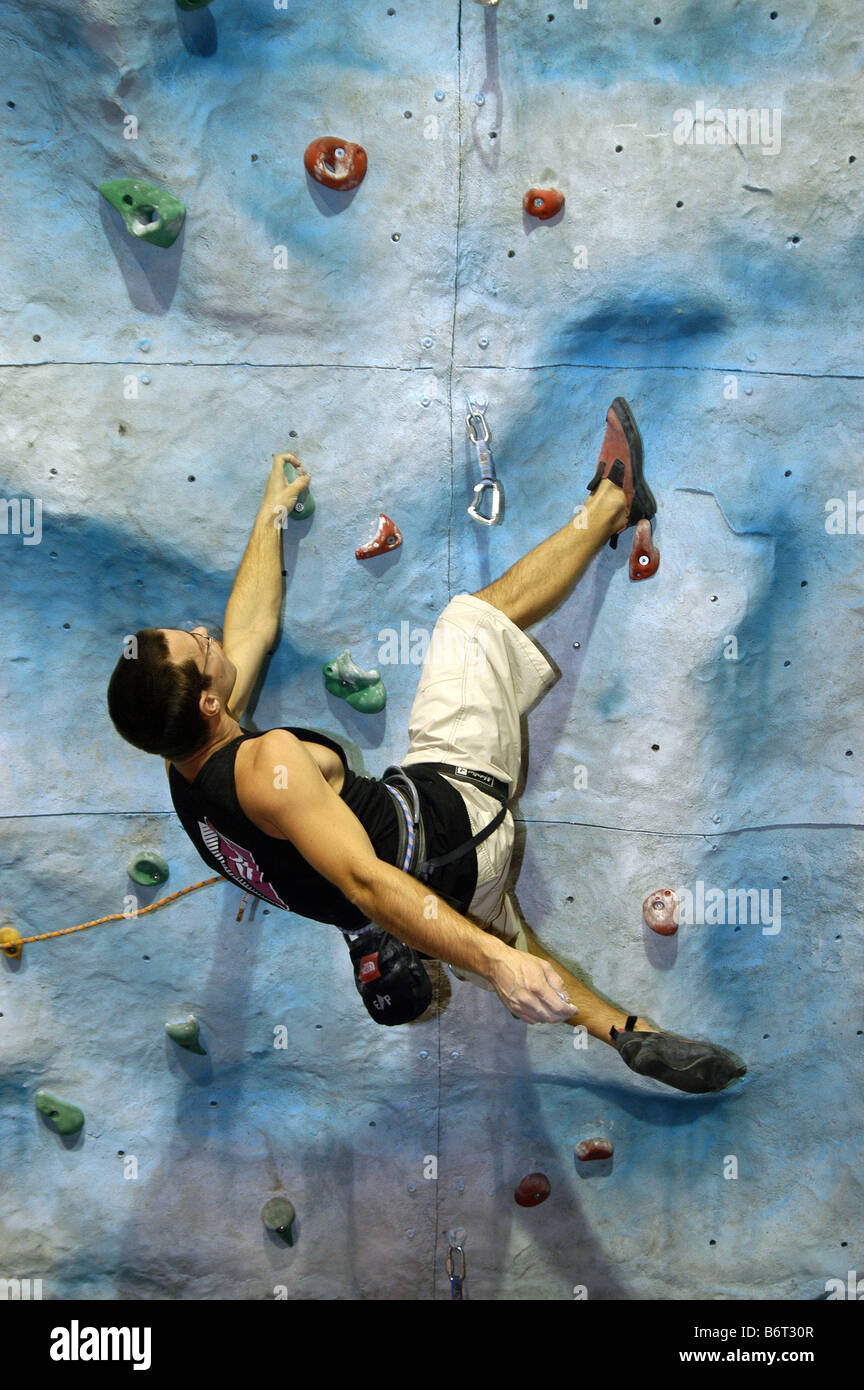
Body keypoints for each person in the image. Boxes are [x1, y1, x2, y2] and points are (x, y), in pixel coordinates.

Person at [107, 398, 746, 1095]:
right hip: (454, 832)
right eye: (196, 646)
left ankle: (626, 1032)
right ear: (207, 703)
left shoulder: (184, 768)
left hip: (435, 917)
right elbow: (367, 883)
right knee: (469, 622)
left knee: (506, 944)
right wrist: (495, 968)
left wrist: (270, 520)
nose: (205, 633)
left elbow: (250, 629)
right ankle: (614, 506)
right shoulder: (268, 766)